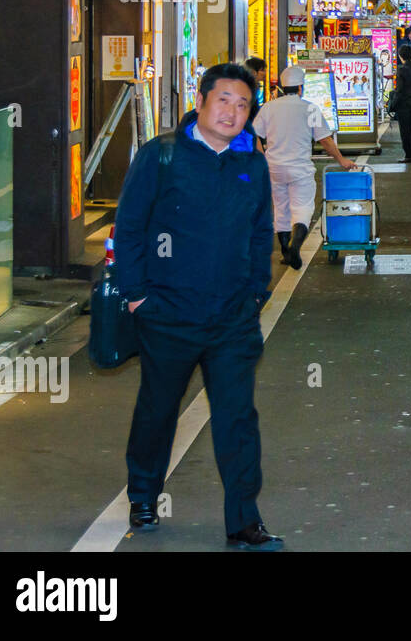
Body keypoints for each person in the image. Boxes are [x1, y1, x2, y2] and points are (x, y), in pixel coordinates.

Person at [115, 63, 282, 550]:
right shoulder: (162, 156)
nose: (233, 112)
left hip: (233, 318)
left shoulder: (251, 162)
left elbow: (259, 232)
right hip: (167, 314)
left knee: (237, 418)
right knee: (157, 409)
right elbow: (129, 228)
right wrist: (138, 296)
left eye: (243, 105)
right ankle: (144, 493)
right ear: (202, 100)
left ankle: (243, 521)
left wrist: (256, 293)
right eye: (224, 100)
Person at [252, 65, 356, 269]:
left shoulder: (268, 107)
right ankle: (295, 246)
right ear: (301, 88)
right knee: (302, 208)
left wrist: (261, 158)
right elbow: (325, 140)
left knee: (281, 209)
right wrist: (341, 160)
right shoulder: (310, 108)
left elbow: (254, 135)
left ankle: (285, 252)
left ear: (283, 87)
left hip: (274, 167)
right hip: (299, 168)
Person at [388, 45, 411, 163]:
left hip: (403, 104)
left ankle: (409, 155)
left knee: (405, 130)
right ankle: (410, 154)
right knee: (410, 128)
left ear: (400, 56)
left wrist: (393, 103)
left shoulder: (401, 70)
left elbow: (399, 89)